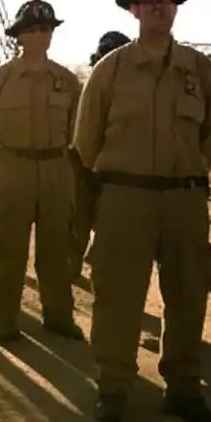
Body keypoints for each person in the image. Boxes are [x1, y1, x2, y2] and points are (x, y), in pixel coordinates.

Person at [73, 0, 211, 422]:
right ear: (133, 9)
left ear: (176, 7)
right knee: (117, 294)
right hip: (126, 197)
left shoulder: (199, 70)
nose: (160, 8)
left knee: (187, 294)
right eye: (151, 0)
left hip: (183, 198)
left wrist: (182, 175)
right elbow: (86, 141)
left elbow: (209, 135)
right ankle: (114, 387)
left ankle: (183, 387)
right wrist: (122, 177)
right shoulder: (110, 71)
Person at [0, 0, 84, 344]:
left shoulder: (65, 80)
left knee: (56, 251)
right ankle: (3, 319)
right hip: (12, 170)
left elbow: (79, 129)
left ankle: (58, 317)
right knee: (9, 250)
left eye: (46, 29)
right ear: (19, 37)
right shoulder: (1, 78)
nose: (40, 35)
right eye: (32, 30)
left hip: (54, 170)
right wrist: (5, 161)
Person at [71, 31, 132, 277]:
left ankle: (99, 272)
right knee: (77, 226)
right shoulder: (85, 90)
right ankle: (71, 271)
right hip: (83, 167)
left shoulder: (135, 95)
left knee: (111, 232)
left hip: (116, 171)